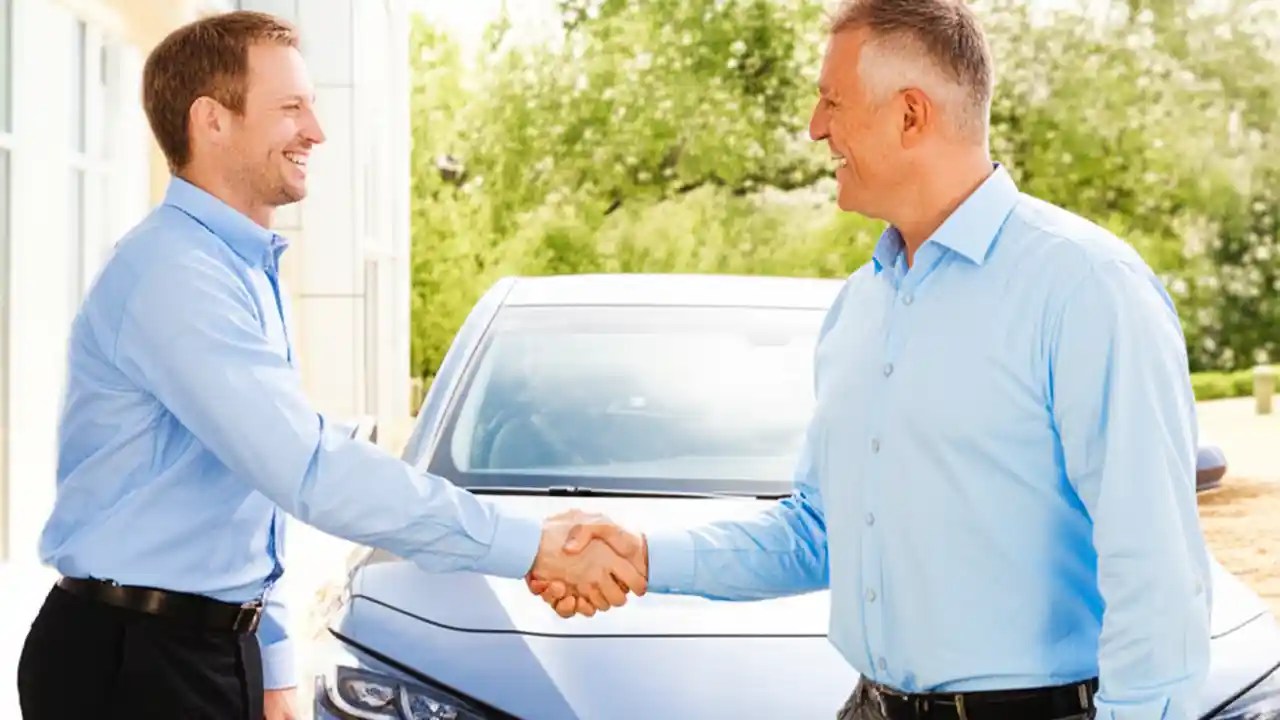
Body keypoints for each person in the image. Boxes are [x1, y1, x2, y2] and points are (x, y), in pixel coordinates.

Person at [528, 0, 1213, 718]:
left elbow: (1156, 571)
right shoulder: (860, 305)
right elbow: (820, 532)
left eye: (832, 102)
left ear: (910, 115)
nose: (815, 127)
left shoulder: (1085, 287)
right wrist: (642, 554)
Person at [16, 11, 643, 720]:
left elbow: (254, 494)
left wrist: (272, 657)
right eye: (291, 107)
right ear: (211, 120)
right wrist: (531, 545)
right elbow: (307, 468)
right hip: (135, 663)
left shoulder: (238, 268)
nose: (316, 131)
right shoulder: (175, 274)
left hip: (200, 648)